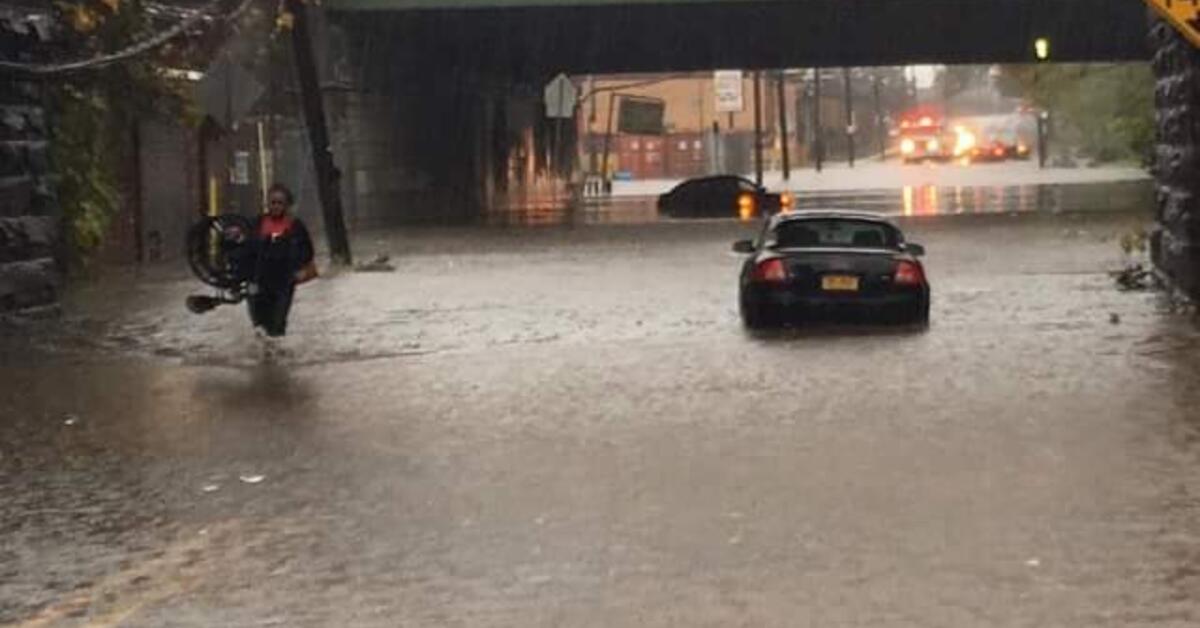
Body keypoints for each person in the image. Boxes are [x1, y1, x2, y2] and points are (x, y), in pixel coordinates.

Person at [247, 183, 316, 337]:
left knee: (277, 324)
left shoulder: (295, 225)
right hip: (258, 281)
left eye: (280, 203)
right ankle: (265, 354)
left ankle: (277, 355)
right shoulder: (256, 223)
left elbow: (307, 251)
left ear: (286, 205)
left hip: (283, 282)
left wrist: (299, 269)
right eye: (273, 202)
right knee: (259, 323)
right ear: (267, 204)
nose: (276, 206)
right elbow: (246, 248)